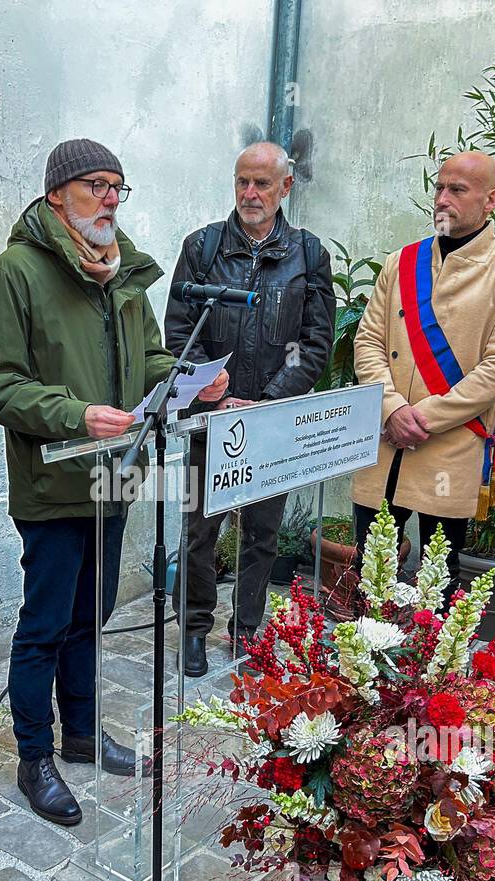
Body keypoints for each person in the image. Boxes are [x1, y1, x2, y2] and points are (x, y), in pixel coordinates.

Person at [0, 138, 228, 825]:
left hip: (117, 479)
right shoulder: (14, 274)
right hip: (56, 481)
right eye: (96, 184)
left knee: (93, 615)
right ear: (58, 193)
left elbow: (147, 356)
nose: (111, 197)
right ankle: (35, 755)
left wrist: (187, 380)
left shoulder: (121, 274)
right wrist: (74, 414)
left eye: (118, 185)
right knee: (45, 626)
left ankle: (81, 734)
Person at [164, 141, 334, 676]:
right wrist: (207, 382)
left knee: (262, 532)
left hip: (272, 423)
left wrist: (265, 403)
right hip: (210, 420)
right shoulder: (203, 248)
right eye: (242, 181)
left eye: (262, 183)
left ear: (286, 187)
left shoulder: (308, 254)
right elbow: (176, 333)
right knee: (200, 530)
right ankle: (193, 629)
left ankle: (245, 631)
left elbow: (316, 343)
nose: (250, 193)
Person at [352, 150, 495, 592]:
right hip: (384, 439)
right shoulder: (402, 262)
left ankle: (428, 662)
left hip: (450, 446)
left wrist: (423, 419)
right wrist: (392, 408)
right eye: (439, 187)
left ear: (491, 200)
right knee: (369, 576)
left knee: (438, 584)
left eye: (458, 190)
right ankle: (361, 660)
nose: (443, 199)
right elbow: (368, 342)